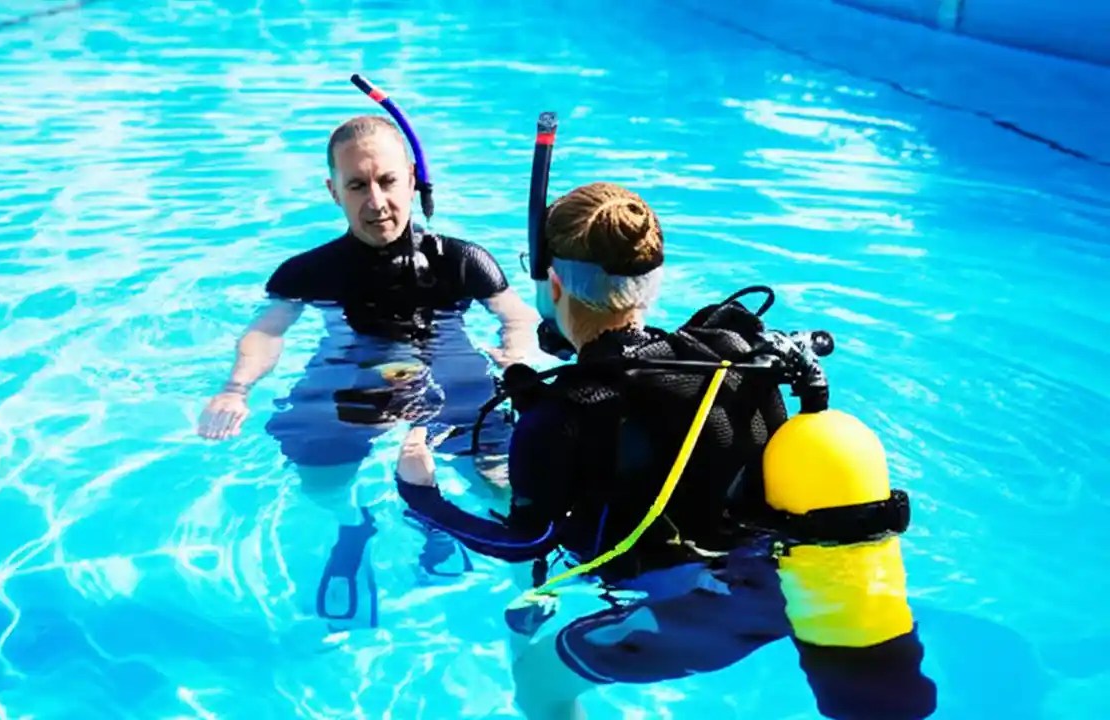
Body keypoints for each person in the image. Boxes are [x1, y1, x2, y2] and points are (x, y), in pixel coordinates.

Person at [395, 181, 936, 719]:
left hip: (696, 619)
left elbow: (526, 541)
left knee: (536, 680)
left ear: (552, 284)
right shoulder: (731, 357)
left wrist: (422, 498)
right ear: (651, 285)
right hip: (797, 593)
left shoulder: (560, 418)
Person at [197, 114, 539, 628]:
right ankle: (354, 526)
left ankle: (482, 553)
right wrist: (234, 389)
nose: (376, 201)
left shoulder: (463, 261)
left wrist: (515, 356)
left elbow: (517, 317)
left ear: (411, 178)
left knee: (503, 484)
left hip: (451, 367)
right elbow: (267, 331)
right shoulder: (308, 271)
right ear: (333, 190)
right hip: (351, 368)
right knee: (317, 477)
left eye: (387, 182)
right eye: (357, 185)